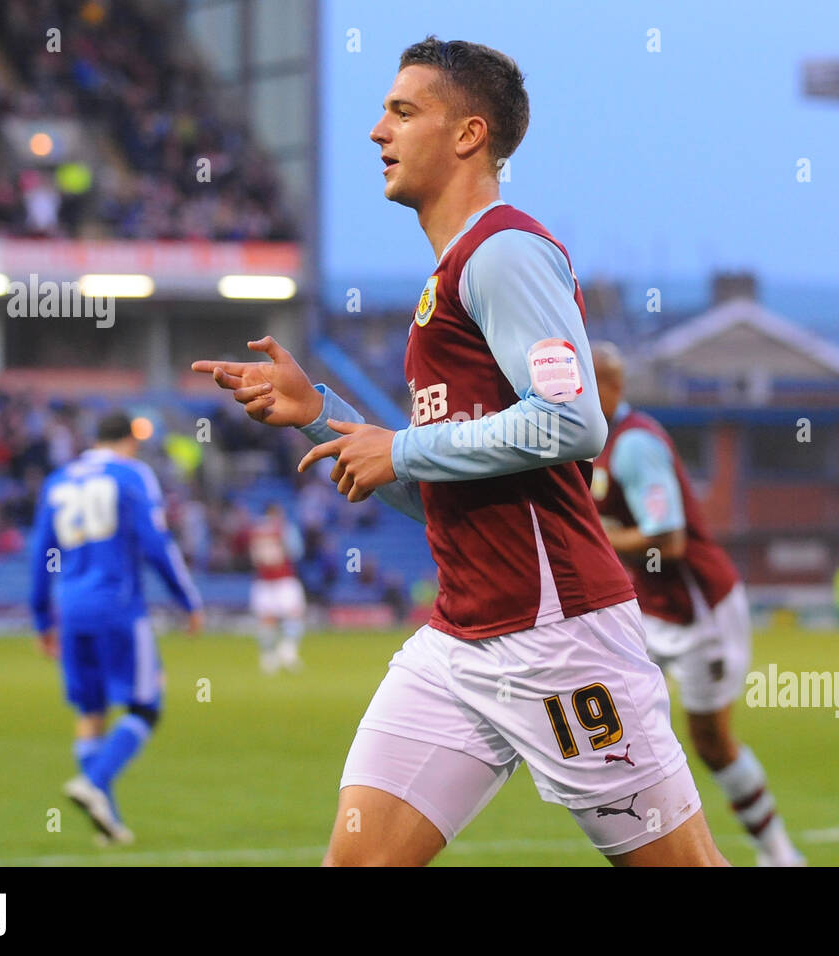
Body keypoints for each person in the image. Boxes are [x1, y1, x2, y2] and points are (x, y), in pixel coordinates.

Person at [194, 37, 725, 867]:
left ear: (469, 134)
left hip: (557, 637)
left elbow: (574, 423)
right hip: (461, 640)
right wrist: (319, 416)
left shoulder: (505, 251)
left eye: (403, 111)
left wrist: (401, 448)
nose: (378, 131)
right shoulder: (443, 284)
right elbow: (444, 480)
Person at [589, 341, 804, 866]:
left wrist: (589, 538)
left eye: (584, 383)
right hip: (647, 609)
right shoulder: (586, 444)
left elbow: (670, 539)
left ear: (612, 387)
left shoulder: (635, 446)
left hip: (697, 609)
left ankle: (777, 853)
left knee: (710, 741)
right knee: (618, 729)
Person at [29, 411, 204, 843]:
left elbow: (39, 553)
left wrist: (40, 617)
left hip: (71, 609)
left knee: (90, 712)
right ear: (128, 439)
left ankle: (105, 821)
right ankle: (94, 781)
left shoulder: (59, 480)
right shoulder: (133, 475)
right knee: (146, 705)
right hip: (118, 607)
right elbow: (155, 543)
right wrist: (187, 600)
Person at [248, 502, 307, 673]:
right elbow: (296, 551)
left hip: (263, 580)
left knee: (267, 619)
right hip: (284, 578)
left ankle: (268, 657)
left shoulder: (255, 530)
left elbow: (252, 557)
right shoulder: (284, 528)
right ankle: (288, 650)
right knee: (294, 614)